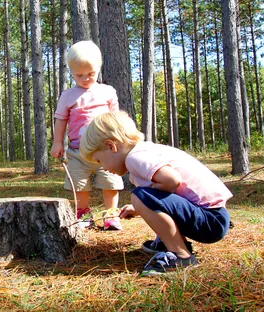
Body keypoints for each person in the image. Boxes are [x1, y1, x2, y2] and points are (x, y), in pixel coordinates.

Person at [80, 111, 232, 276]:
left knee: (140, 195)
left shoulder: (135, 158)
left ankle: (181, 256)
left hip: (209, 221)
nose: (103, 168)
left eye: (100, 160)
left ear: (111, 146)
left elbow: (172, 180)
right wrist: (141, 206)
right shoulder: (146, 151)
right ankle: (172, 243)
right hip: (214, 216)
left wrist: (141, 203)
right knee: (143, 196)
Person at [50, 41, 123, 230]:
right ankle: (83, 213)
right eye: (79, 75)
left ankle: (111, 215)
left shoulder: (107, 91)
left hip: (106, 151)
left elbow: (116, 118)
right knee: (79, 185)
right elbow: (60, 120)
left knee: (110, 182)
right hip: (77, 152)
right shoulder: (68, 95)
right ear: (71, 72)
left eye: (90, 74)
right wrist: (57, 143)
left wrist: (120, 140)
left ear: (98, 68)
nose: (85, 79)